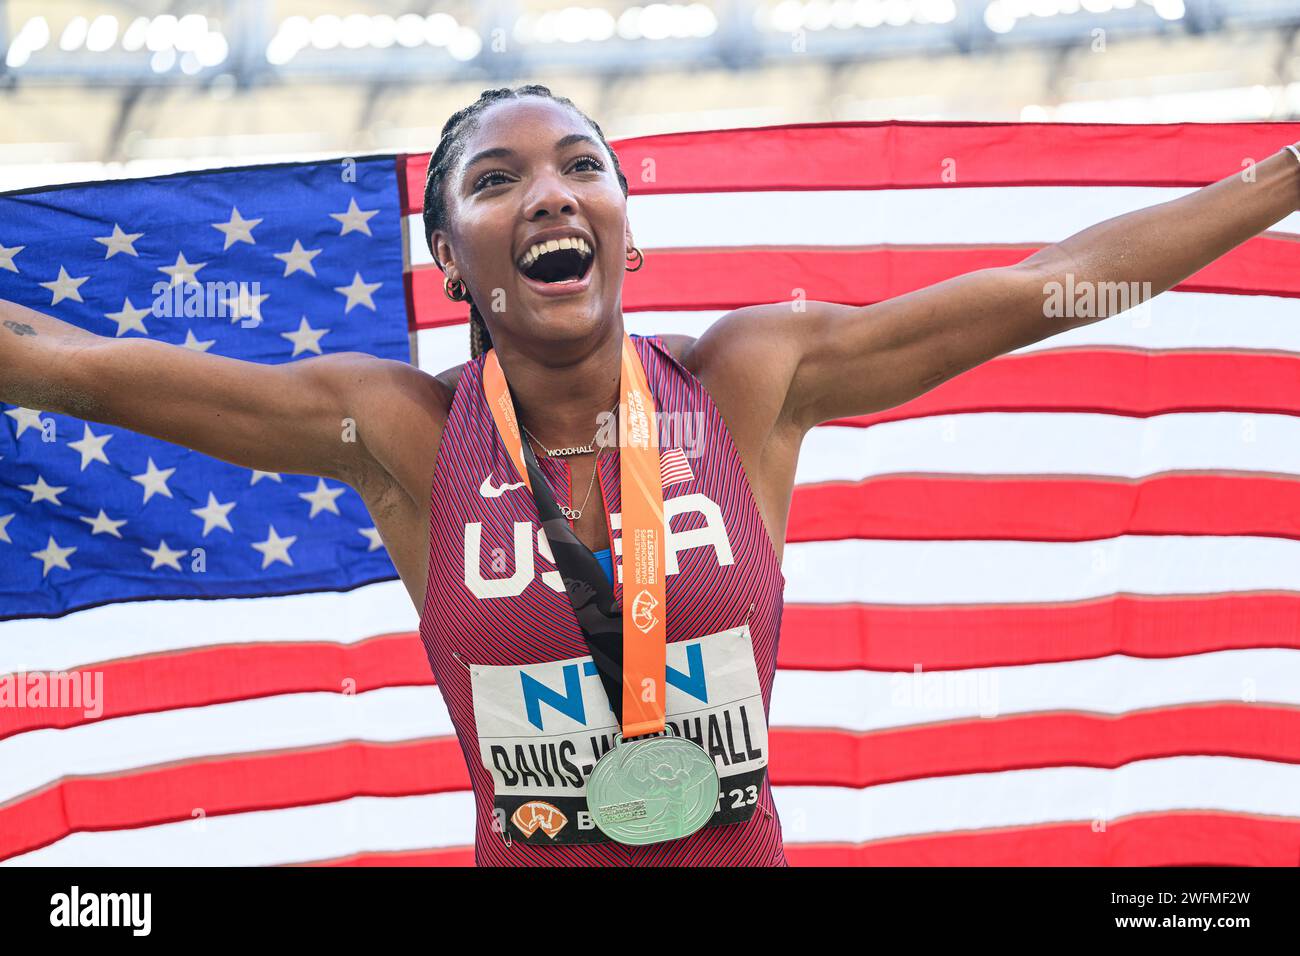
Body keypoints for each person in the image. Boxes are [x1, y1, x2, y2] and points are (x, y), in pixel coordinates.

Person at [2, 83, 1298, 867]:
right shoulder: (394, 432)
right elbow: (77, 367)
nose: (551, 195)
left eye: (581, 167)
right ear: (450, 257)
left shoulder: (752, 382)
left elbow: (1044, 291)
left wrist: (1287, 174)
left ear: (630, 227)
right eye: (497, 181)